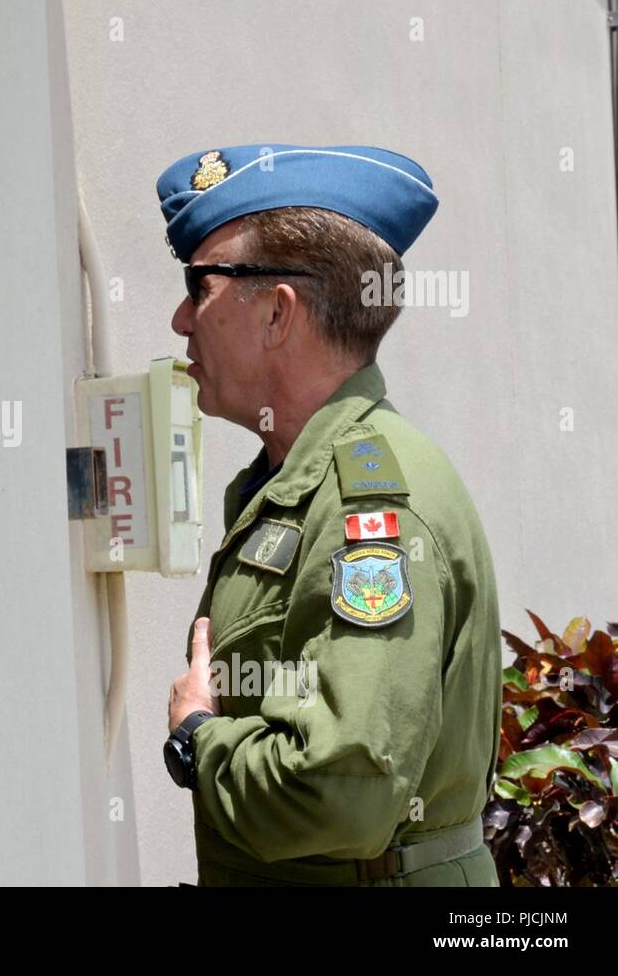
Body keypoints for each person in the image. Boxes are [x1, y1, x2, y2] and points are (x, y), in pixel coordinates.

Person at [157, 145, 500, 886]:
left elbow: (342, 794)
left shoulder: (365, 507)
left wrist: (197, 739)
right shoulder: (297, 482)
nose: (181, 317)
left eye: (200, 284)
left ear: (278, 311)